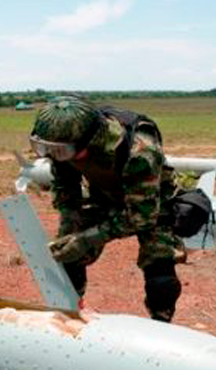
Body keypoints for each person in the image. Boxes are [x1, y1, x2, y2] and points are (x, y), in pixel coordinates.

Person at [29, 95, 183, 322]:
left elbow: (142, 217)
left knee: (159, 270)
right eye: (45, 148)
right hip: (106, 196)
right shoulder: (64, 144)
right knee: (68, 254)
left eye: (59, 151)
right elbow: (66, 188)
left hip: (151, 202)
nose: (53, 156)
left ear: (90, 141)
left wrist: (87, 239)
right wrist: (71, 229)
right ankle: (69, 316)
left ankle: (161, 323)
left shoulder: (141, 151)